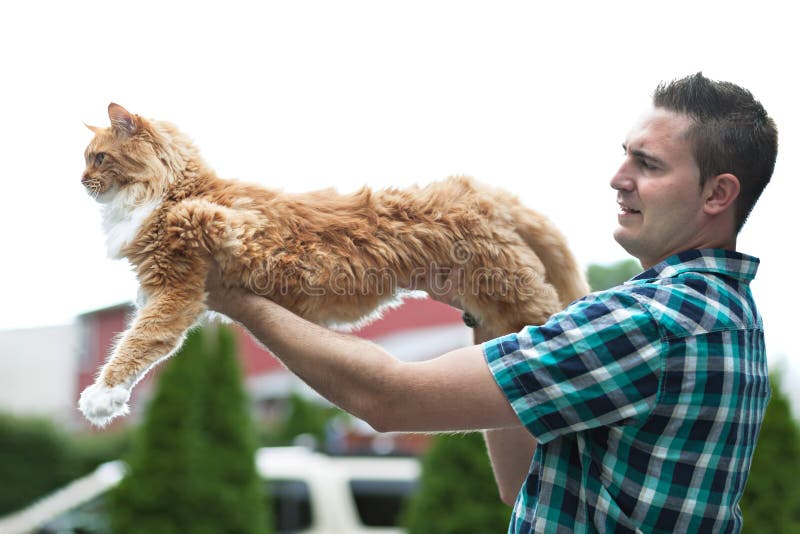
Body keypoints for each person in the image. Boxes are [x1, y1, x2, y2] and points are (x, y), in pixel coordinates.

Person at [205, 73, 777, 533]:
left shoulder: (650, 322)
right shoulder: (726, 313)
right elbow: (521, 480)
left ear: (717, 193)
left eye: (647, 164)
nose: (617, 177)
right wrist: (484, 310)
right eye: (625, 155)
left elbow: (388, 399)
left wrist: (235, 297)